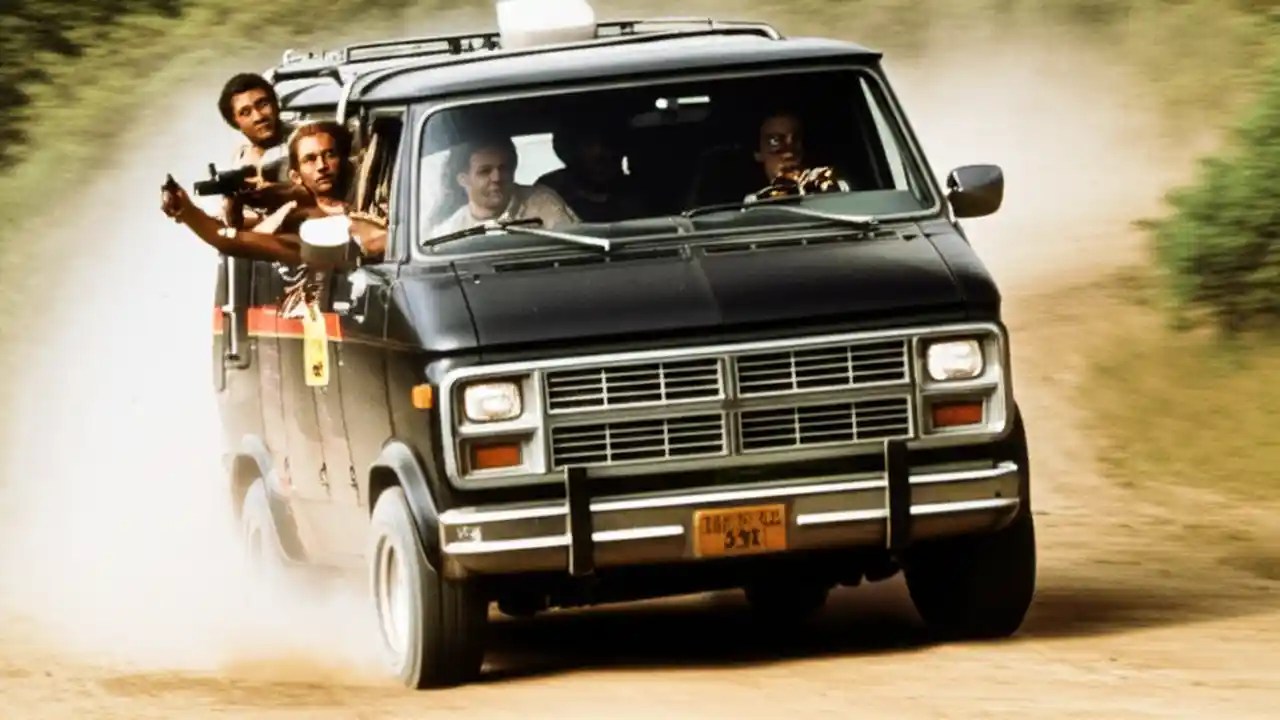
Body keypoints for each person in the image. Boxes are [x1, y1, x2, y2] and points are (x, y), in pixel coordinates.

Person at [161, 120, 385, 276]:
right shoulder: (302, 219)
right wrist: (188, 212)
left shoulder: (375, 197)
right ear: (295, 176)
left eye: (330, 155)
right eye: (310, 159)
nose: (322, 166)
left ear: (345, 161)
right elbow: (234, 239)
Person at [431, 135, 578, 236]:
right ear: (463, 180)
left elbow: (573, 251)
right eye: (485, 171)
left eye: (503, 168)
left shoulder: (543, 205)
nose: (497, 177)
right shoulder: (449, 232)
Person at [217, 72, 294, 229]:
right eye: (246, 113)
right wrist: (233, 203)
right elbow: (238, 222)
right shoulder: (241, 157)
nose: (258, 117)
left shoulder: (303, 141)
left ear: (276, 105)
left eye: (263, 104)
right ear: (235, 122)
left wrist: (278, 192)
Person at [536, 120, 647, 222]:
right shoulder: (549, 192)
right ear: (571, 149)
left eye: (608, 143)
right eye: (588, 144)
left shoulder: (639, 192)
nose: (599, 152)